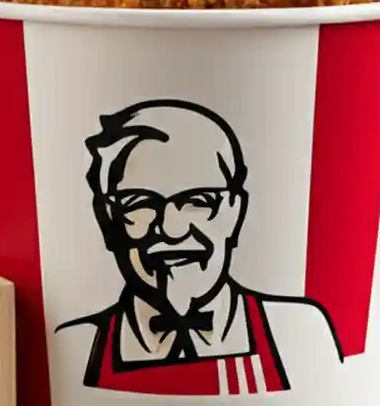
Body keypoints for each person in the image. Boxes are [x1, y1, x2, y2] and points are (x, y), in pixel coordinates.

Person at [59, 100, 343, 396]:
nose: (171, 229)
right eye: (140, 203)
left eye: (199, 201)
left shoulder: (296, 330)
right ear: (107, 220)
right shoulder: (76, 343)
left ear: (235, 212)